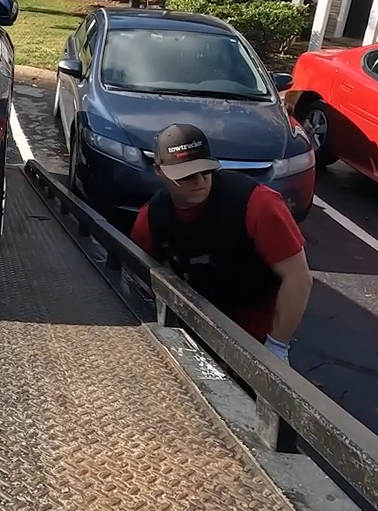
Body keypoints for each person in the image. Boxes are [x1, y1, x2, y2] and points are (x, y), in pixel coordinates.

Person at [129, 123, 313, 363]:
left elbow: (298, 277)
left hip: (254, 338)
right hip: (191, 332)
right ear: (159, 171)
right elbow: (135, 276)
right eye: (185, 175)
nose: (199, 181)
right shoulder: (152, 218)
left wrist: (277, 346)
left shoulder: (258, 204)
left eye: (205, 171)